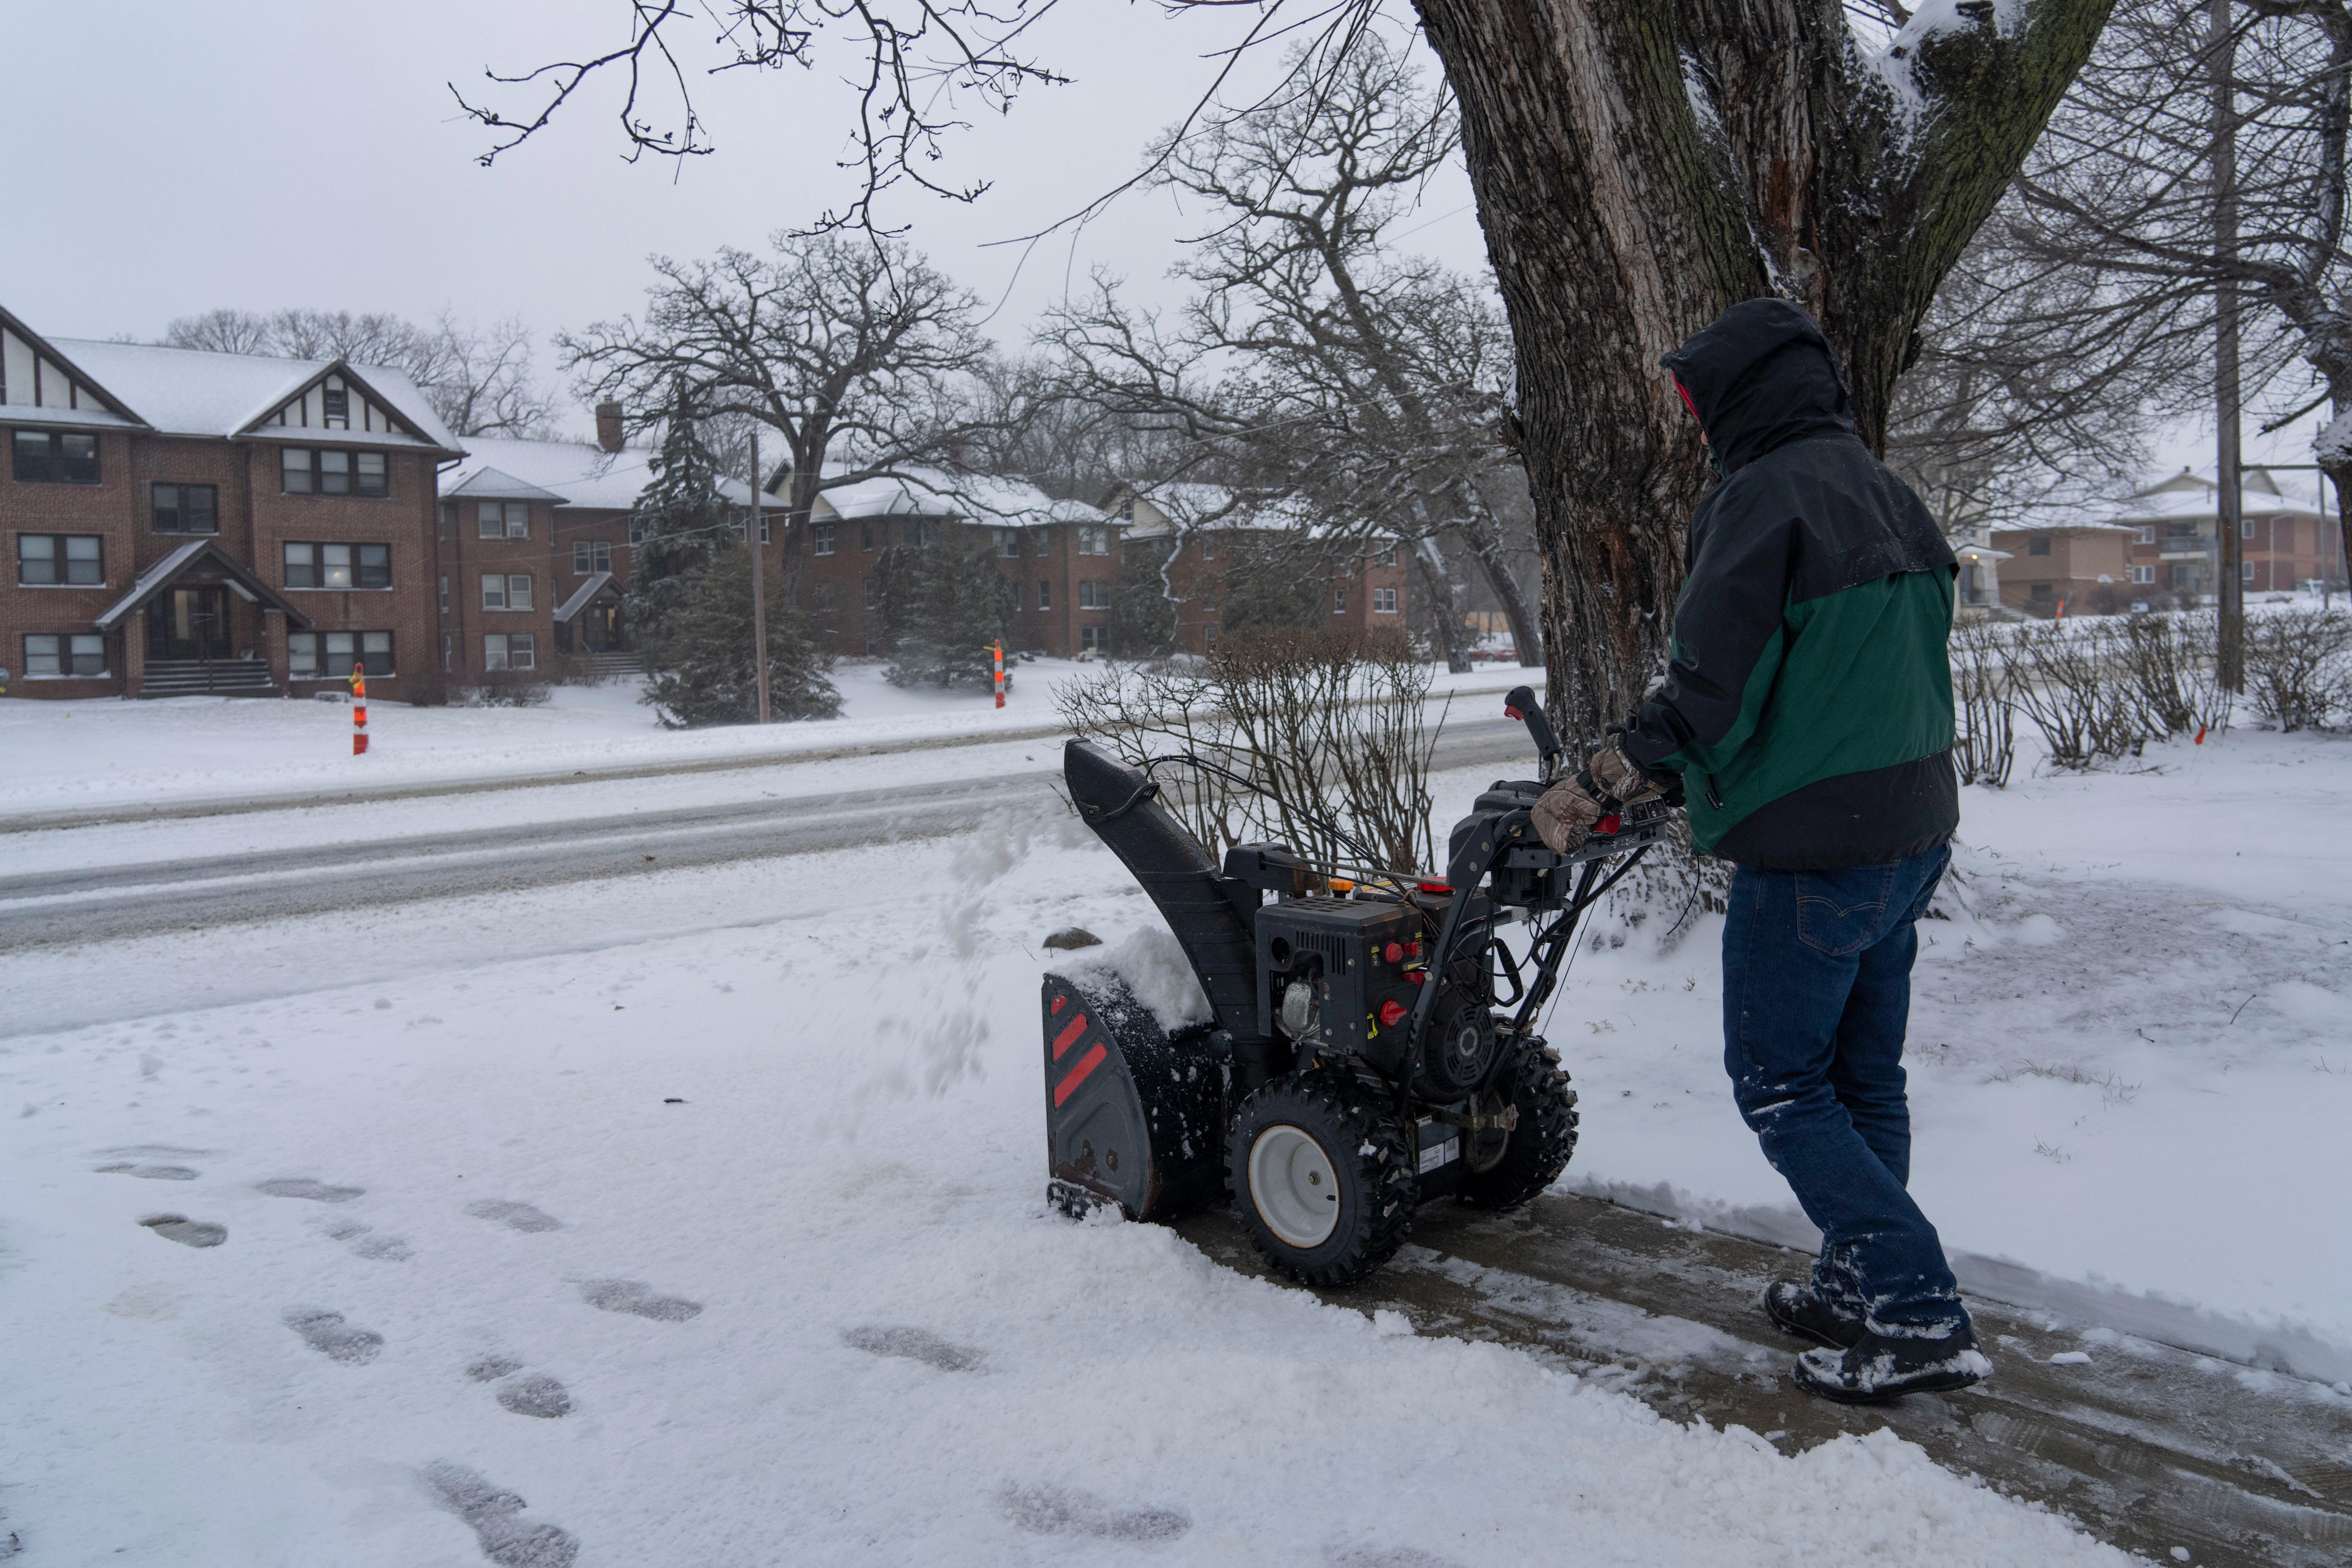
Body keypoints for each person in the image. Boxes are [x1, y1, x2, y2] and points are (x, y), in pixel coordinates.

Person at [1532, 297, 1989, 1405]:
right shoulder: (1889, 496)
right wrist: (1689, 769)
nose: (1696, 426)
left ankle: (1917, 1310)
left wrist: (1608, 774)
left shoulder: (1757, 500)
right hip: (1912, 831)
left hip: (1815, 854)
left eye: (1700, 404)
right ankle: (1859, 1281)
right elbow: (1828, 680)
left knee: (1781, 1082)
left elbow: (1709, 686)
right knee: (1859, 1075)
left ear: (1741, 398)